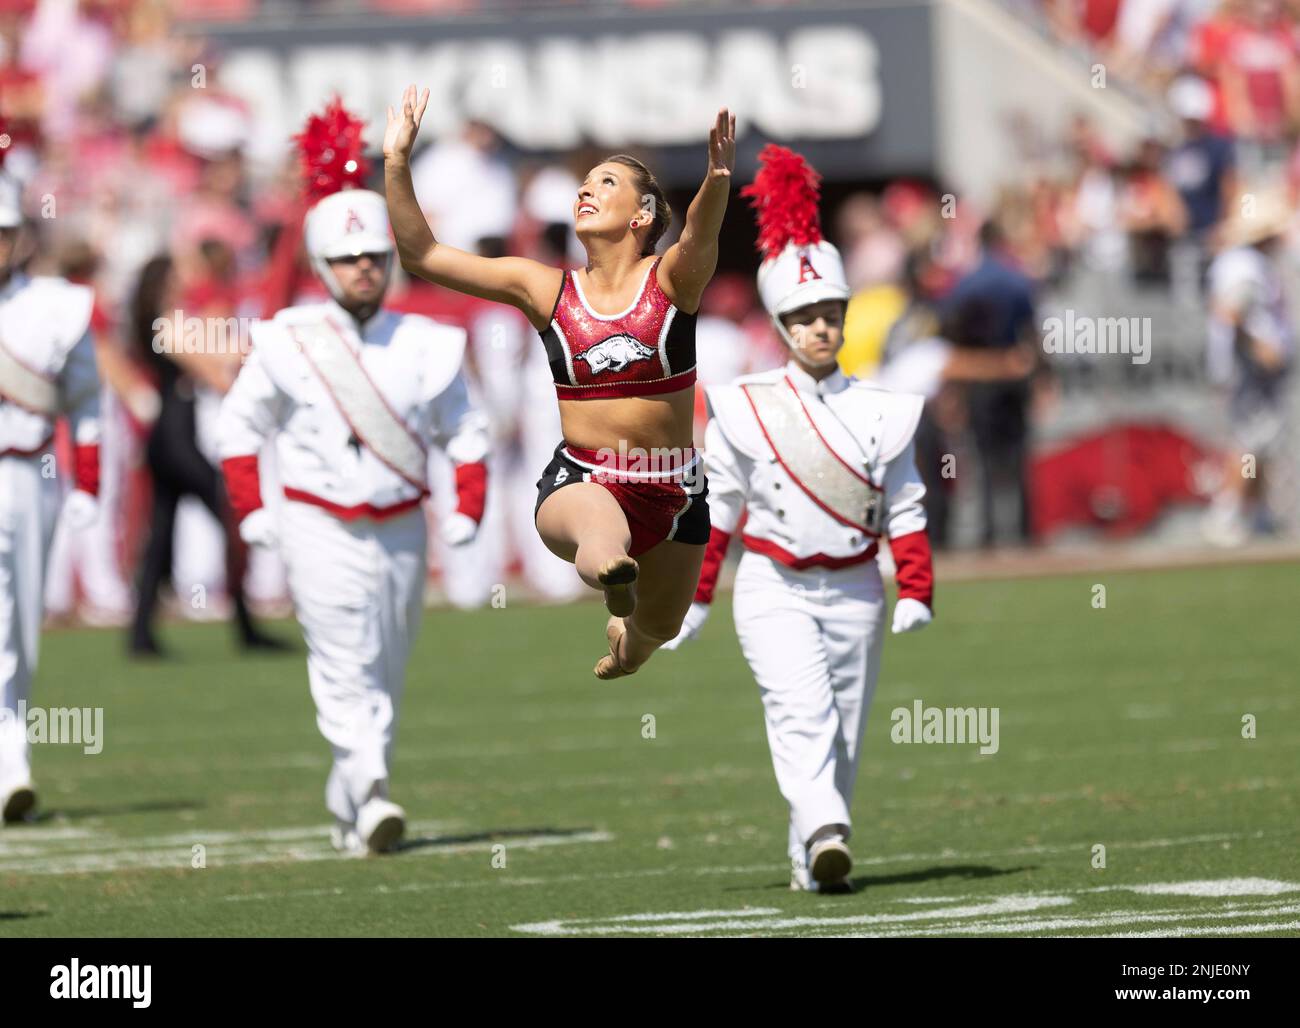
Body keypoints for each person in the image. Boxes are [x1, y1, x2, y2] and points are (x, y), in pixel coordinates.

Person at [384, 85, 735, 678]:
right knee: (603, 538)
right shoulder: (545, 288)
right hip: (585, 478)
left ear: (643, 214)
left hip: (676, 486)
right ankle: (610, 572)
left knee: (662, 627)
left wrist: (718, 178)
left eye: (605, 183)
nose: (585, 190)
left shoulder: (673, 281)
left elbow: (700, 234)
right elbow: (423, 255)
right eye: (585, 182)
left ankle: (628, 641)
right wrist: (396, 163)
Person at [218, 101, 491, 855]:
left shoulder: (429, 342)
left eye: (373, 256)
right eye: (346, 259)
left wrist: (467, 507)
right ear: (321, 267)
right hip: (316, 522)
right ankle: (372, 794)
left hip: (401, 523)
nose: (363, 269)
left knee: (388, 671)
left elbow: (466, 433)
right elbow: (239, 429)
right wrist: (252, 511)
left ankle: (351, 796)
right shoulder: (286, 339)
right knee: (343, 662)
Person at [662, 146, 935, 893]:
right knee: (802, 710)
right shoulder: (743, 403)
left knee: (843, 734)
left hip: (855, 590)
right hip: (774, 586)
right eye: (805, 316)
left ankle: (811, 855)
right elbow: (718, 507)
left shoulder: (881, 408)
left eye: (830, 314)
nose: (820, 327)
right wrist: (695, 598)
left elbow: (905, 504)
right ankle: (826, 829)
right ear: (780, 322)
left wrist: (915, 589)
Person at [0, 169, 101, 823]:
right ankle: (9, 762)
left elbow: (86, 398)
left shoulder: (55, 305)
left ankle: (11, 760)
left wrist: (88, 481)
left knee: (21, 628)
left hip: (26, 476)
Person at [127, 254, 283, 656]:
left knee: (161, 537)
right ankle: (246, 628)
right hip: (175, 443)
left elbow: (216, 353)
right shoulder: (167, 324)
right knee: (230, 518)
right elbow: (212, 371)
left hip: (166, 441)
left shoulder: (163, 322)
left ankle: (141, 635)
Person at [1203, 186, 1294, 544]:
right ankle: (1225, 512)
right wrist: (1259, 348)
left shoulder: (1241, 262)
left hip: (1250, 372)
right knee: (1248, 444)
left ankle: (1258, 514)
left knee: (1261, 442)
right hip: (1250, 371)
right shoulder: (1246, 266)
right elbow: (1230, 311)